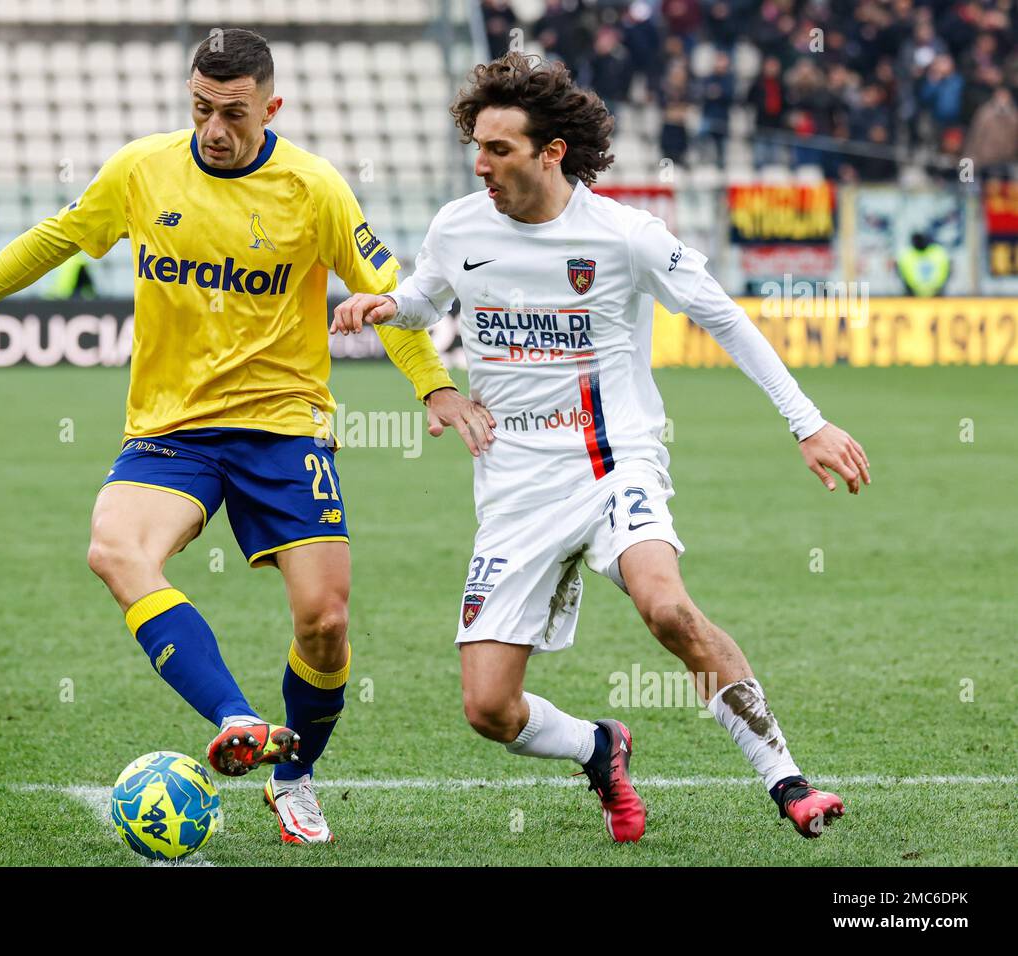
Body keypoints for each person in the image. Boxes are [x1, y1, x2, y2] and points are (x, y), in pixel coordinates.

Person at [0, 29, 488, 847]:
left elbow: (385, 294)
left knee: (326, 622)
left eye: (233, 113)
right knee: (114, 549)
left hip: (282, 427)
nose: (213, 128)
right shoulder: (142, 169)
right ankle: (236, 715)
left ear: (271, 107)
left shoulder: (314, 189)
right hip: (172, 430)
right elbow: (57, 239)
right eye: (201, 108)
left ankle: (295, 775)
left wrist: (435, 385)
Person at [332, 54, 870, 842]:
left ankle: (786, 779)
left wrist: (807, 422)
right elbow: (426, 295)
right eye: (475, 146)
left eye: (499, 150)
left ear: (551, 152)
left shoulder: (624, 237)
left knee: (667, 606)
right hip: (513, 484)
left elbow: (724, 317)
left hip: (614, 463)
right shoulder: (458, 226)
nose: (480, 164)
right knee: (487, 708)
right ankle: (598, 746)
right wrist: (390, 306)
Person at [897, 232, 951, 297]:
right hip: (913, 294)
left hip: (937, 294)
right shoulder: (907, 254)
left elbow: (948, 270)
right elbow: (901, 273)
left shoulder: (938, 252)